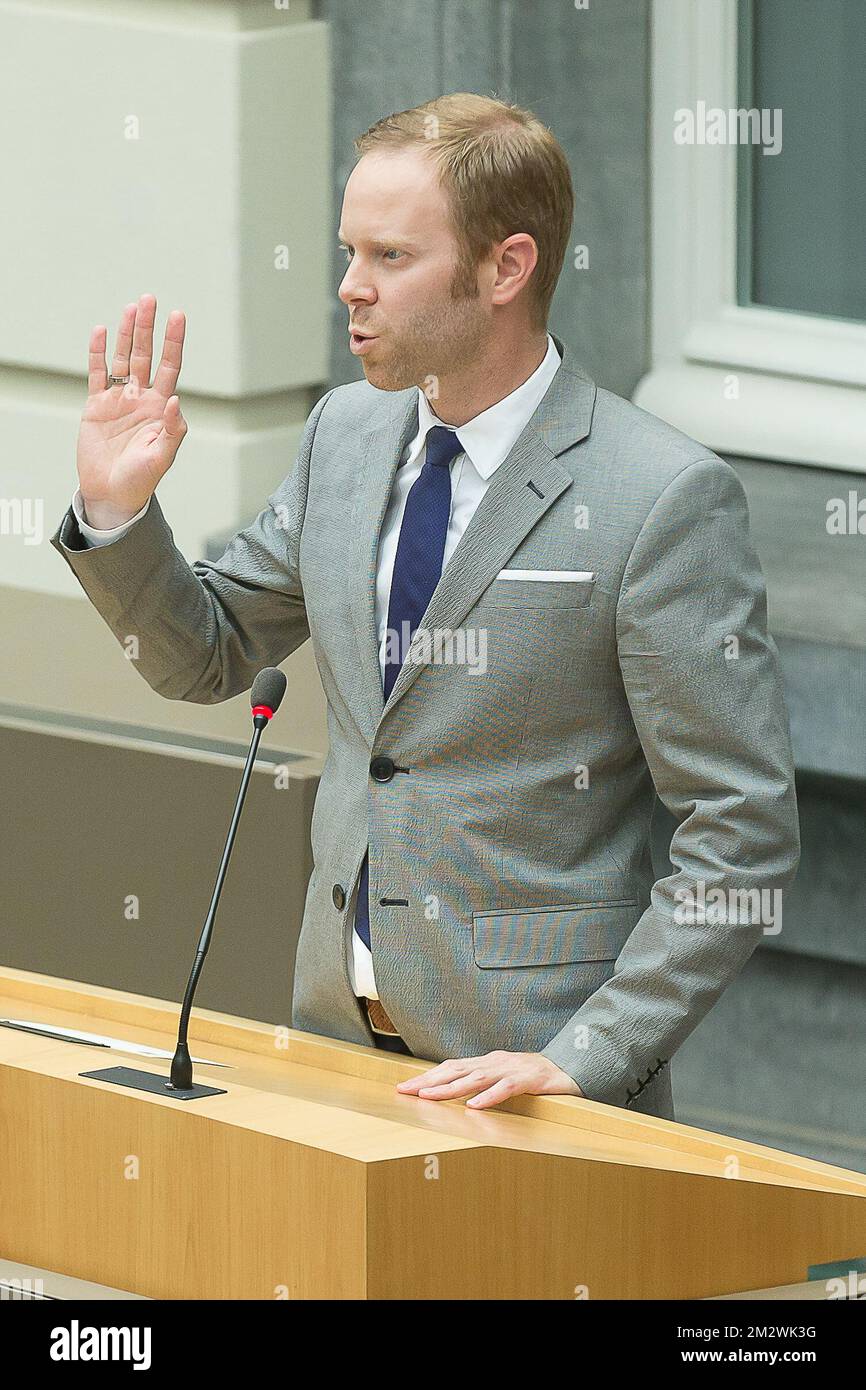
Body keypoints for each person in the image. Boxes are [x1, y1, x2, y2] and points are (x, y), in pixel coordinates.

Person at [51, 93, 800, 1120]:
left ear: (505, 267)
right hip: (330, 1056)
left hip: (531, 1094)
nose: (349, 289)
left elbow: (741, 831)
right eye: (348, 250)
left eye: (390, 257)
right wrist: (116, 509)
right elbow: (207, 655)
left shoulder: (659, 497)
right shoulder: (344, 434)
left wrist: (588, 1057)